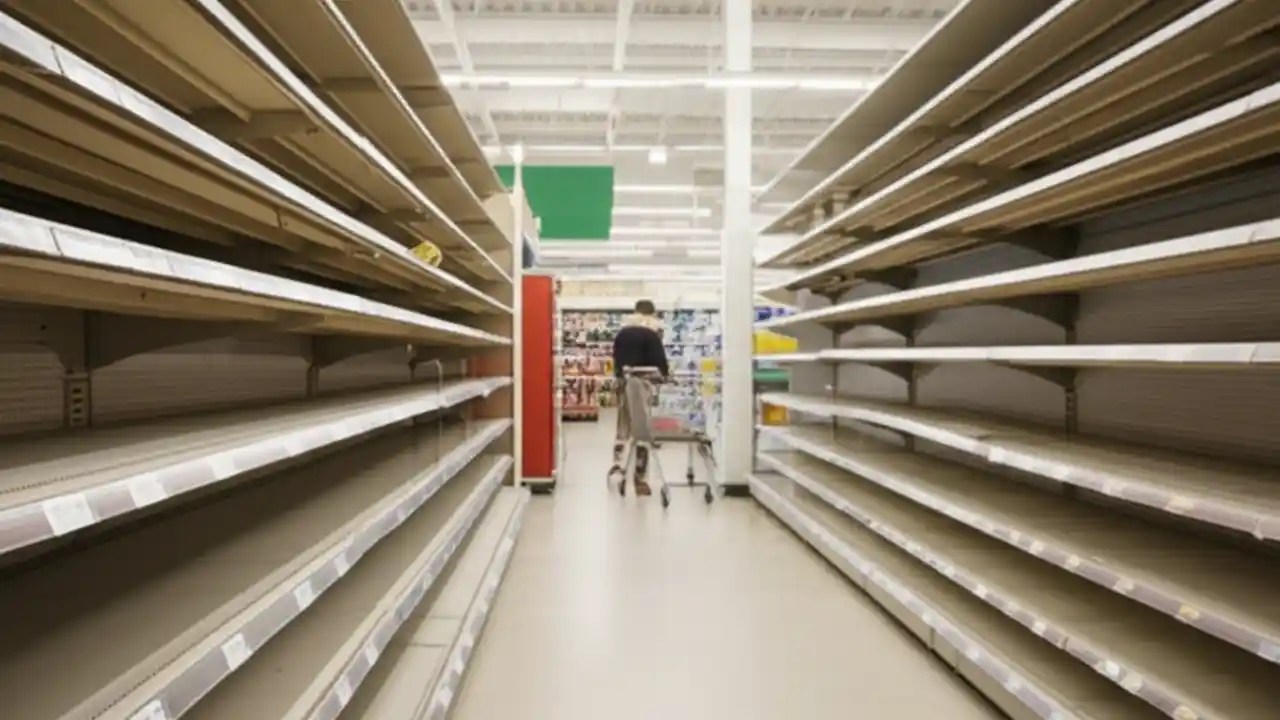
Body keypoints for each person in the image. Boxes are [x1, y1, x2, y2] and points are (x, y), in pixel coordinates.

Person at [611, 299, 669, 495]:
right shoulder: (651, 333)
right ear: (652, 314)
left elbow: (616, 361)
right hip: (642, 385)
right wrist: (665, 377)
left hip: (623, 384)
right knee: (641, 431)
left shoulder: (622, 332)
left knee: (623, 428)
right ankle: (640, 478)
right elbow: (660, 363)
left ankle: (617, 466)